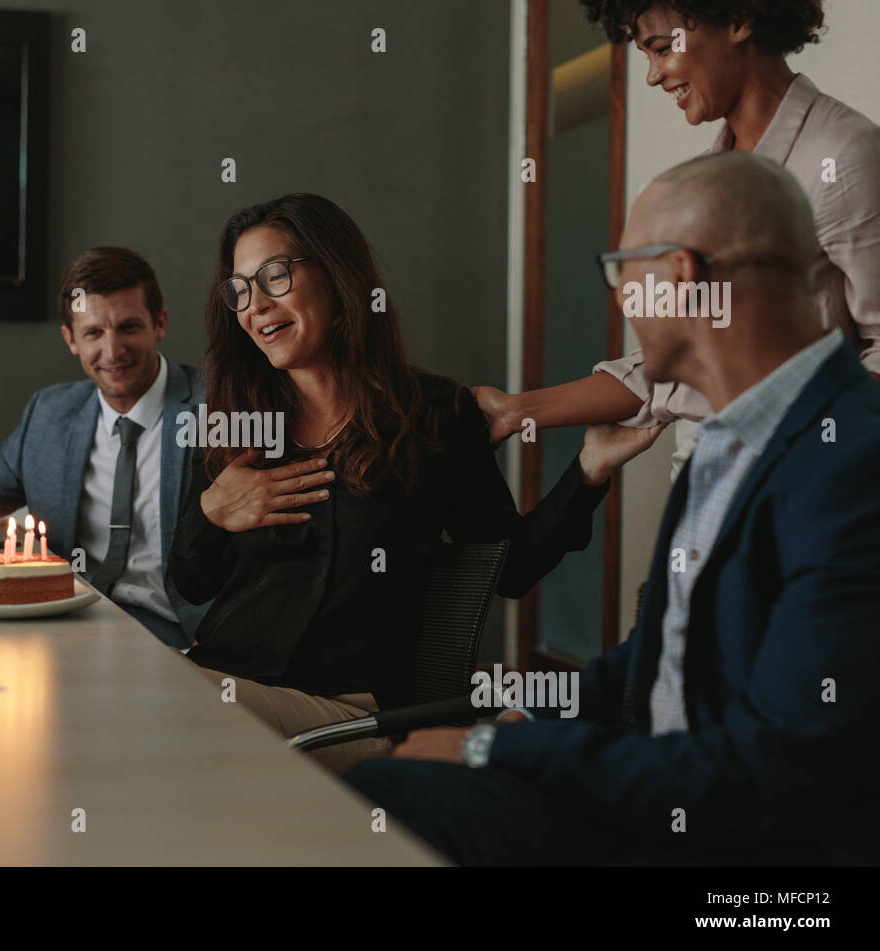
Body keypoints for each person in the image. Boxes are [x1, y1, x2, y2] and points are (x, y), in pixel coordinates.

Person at [345, 153, 880, 865]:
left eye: (622, 270)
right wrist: (525, 713)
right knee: (386, 790)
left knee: (385, 801)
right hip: (662, 800)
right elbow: (656, 661)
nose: (619, 297)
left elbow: (771, 775)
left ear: (682, 276)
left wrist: (493, 745)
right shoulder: (726, 439)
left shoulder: (853, 460)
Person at [169, 193, 657, 774]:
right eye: (240, 290)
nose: (256, 305)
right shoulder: (236, 421)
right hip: (222, 683)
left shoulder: (433, 413)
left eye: (275, 276)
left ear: (335, 273)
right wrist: (211, 511)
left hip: (347, 716)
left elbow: (511, 567)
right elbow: (190, 582)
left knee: (158, 707)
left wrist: (589, 471)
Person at [474, 0, 880, 478]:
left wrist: (789, 461)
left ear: (739, 20)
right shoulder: (711, 178)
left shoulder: (844, 158)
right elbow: (674, 364)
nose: (652, 76)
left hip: (793, 498)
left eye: (663, 49)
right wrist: (517, 411)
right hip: (702, 486)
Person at [0, 247, 206, 649]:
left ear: (160, 323)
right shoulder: (51, 414)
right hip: (65, 626)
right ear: (71, 339)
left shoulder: (215, 407)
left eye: (128, 327)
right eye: (93, 333)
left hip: (179, 640)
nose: (112, 350)